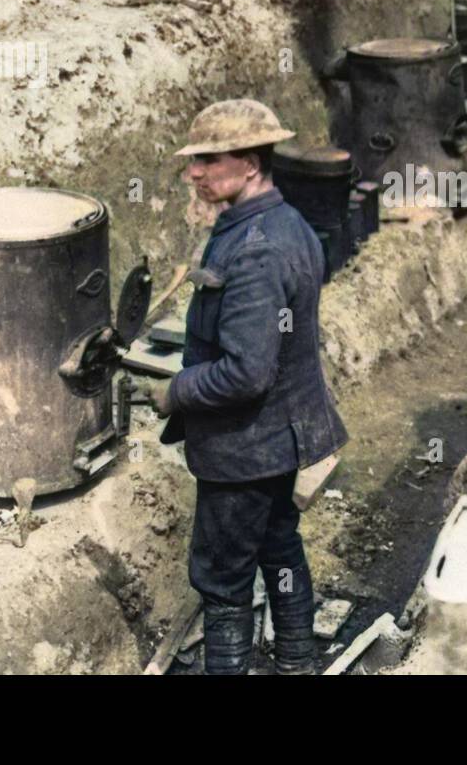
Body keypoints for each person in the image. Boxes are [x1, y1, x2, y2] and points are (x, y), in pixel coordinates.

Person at [144, 99, 349, 675]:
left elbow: (246, 372)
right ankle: (297, 662)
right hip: (279, 437)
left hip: (245, 448)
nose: (194, 173)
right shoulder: (282, 224)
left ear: (252, 162)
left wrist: (177, 391)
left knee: (222, 577)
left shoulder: (255, 249)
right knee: (277, 543)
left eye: (209, 160)